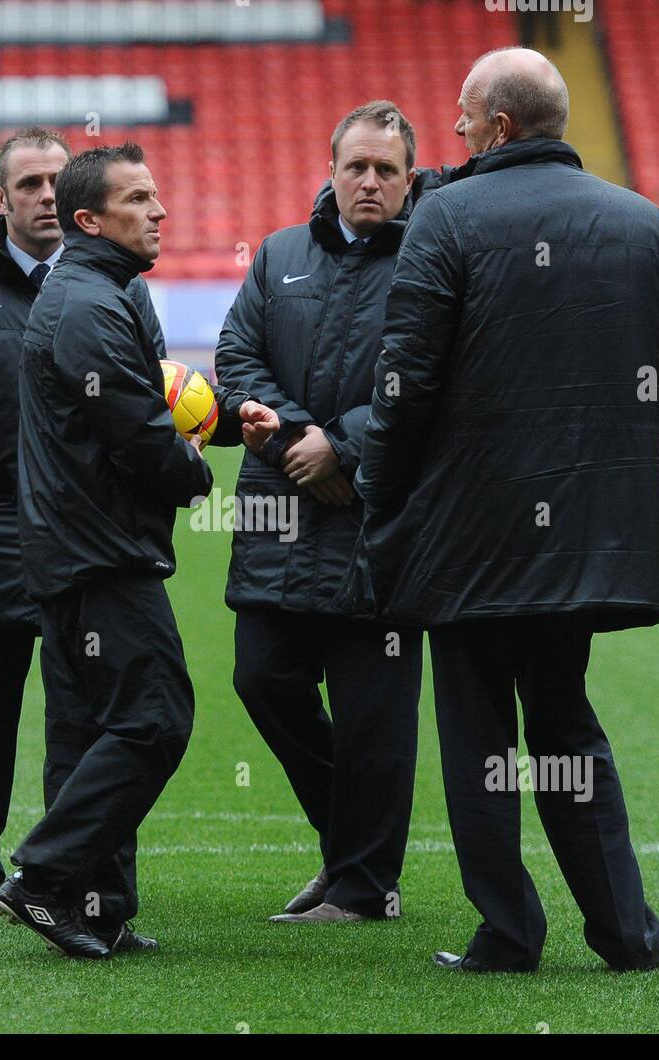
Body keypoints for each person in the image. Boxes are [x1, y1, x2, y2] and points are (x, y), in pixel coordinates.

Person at [353, 48, 659, 972]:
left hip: (469, 536)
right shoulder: (642, 220)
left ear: (496, 126)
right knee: (566, 720)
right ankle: (626, 932)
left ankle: (509, 930)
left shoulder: (446, 214)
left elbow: (403, 384)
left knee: (477, 737)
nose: (452, 134)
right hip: (584, 535)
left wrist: (383, 500)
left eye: (461, 118)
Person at [0, 142, 279, 958]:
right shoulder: (88, 302)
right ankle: (44, 879)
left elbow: (151, 395)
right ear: (90, 220)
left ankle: (96, 907)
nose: (159, 212)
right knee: (156, 718)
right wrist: (195, 475)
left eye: (156, 196)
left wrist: (230, 421)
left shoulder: (98, 289)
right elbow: (138, 429)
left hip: (76, 543)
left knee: (94, 729)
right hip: (98, 550)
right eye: (139, 200)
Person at [0, 129, 166, 908]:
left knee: (88, 714)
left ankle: (77, 876)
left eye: (56, 182)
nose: (46, 196)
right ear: (0, 199)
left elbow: (139, 398)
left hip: (84, 533)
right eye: (29, 185)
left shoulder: (120, 287)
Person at [214, 101, 428, 923]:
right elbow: (236, 359)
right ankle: (352, 851)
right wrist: (297, 443)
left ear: (411, 179)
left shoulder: (433, 259)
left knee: (375, 713)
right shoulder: (279, 255)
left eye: (386, 169)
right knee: (263, 677)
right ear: (331, 169)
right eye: (356, 167)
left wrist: (345, 446)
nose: (369, 181)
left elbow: (436, 382)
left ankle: (364, 885)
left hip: (385, 523)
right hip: (280, 513)